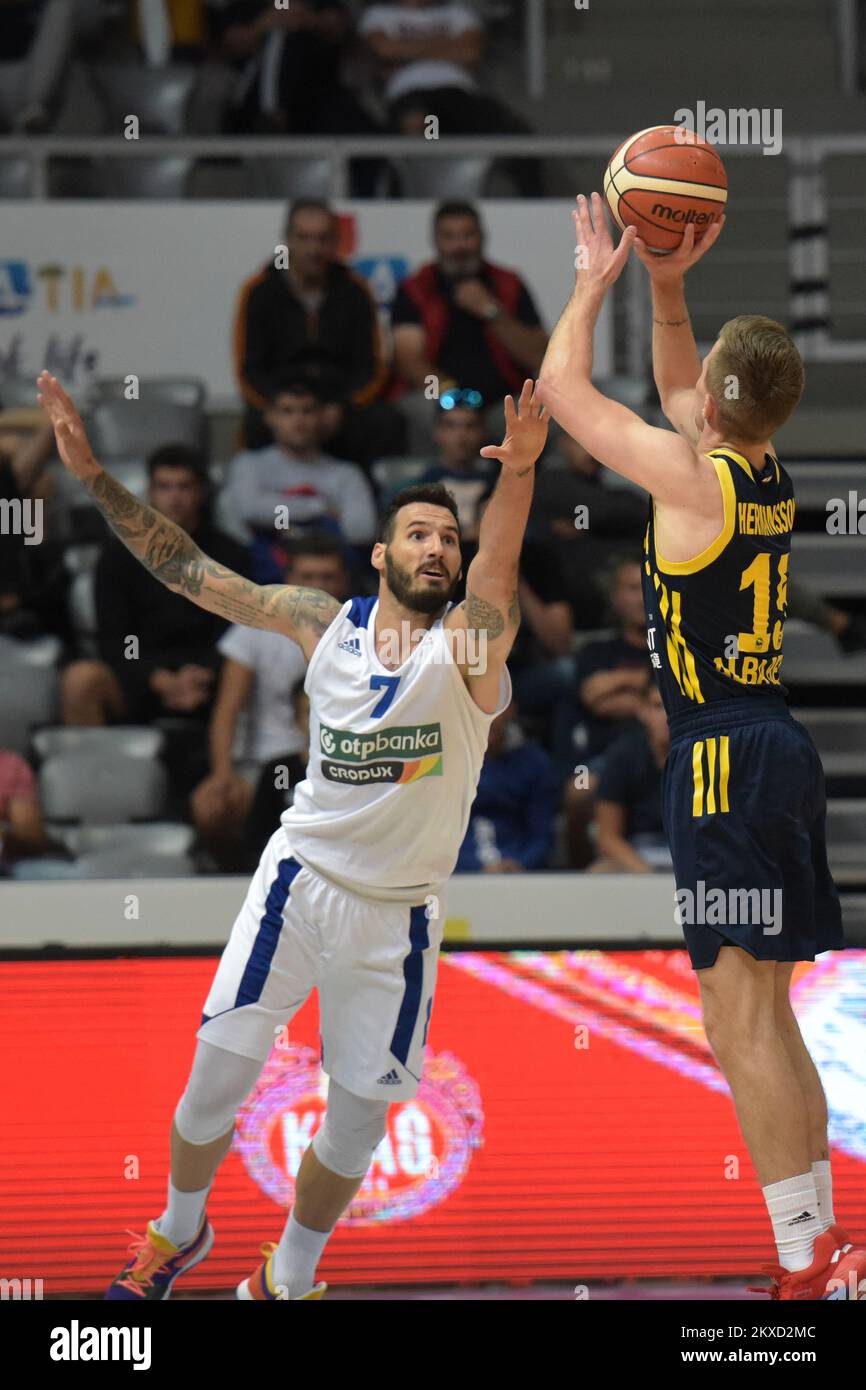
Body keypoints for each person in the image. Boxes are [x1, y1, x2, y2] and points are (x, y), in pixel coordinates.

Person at [38, 368, 548, 1302]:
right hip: (299, 885)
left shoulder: (468, 653)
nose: (438, 548)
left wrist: (516, 475)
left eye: (449, 536)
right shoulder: (323, 624)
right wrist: (94, 478)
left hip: (398, 921)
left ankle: (288, 1279)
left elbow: (500, 579)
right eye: (419, 534)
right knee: (212, 1085)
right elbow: (192, 573)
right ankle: (178, 1231)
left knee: (356, 1129)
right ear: (381, 556)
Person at [538, 193, 862, 1299]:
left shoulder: (689, 475)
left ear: (712, 408)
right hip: (774, 739)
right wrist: (667, 286)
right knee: (762, 1011)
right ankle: (823, 1241)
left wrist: (593, 281)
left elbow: (565, 396)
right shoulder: (756, 470)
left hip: (721, 752)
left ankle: (800, 1255)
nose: (689, 382)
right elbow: (685, 388)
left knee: (734, 1017)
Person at [61, 444, 250, 728]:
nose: (174, 498)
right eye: (165, 487)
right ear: (151, 492)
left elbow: (241, 632)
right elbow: (113, 640)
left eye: (184, 487)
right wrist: (158, 679)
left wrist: (202, 673)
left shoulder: (230, 555)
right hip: (139, 678)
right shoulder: (119, 556)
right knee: (80, 679)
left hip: (213, 680)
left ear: (202, 492)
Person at [190, 533, 351, 867]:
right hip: (265, 760)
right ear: (289, 580)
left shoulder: (365, 632)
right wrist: (223, 774)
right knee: (211, 807)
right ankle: (237, 878)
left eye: (327, 577)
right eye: (308, 578)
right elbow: (227, 709)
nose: (318, 587)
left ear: (343, 580)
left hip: (343, 759)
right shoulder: (256, 630)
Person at [233, 200, 405, 463]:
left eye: (323, 238)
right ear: (288, 240)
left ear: (336, 241)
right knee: (256, 424)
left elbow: (372, 368)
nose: (314, 248)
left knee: (387, 421)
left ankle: (378, 499)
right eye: (304, 238)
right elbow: (249, 372)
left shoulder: (355, 290)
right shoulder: (260, 290)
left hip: (340, 405)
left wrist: (339, 408)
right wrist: (289, 411)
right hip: (282, 403)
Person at [391, 201, 547, 451]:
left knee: (538, 410)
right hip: (438, 394)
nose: (459, 246)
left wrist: (492, 311)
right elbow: (409, 361)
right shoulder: (415, 288)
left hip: (503, 399)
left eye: (468, 235)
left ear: (482, 237)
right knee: (417, 407)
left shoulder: (509, 283)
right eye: (449, 236)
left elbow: (538, 355)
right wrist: (452, 395)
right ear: (436, 241)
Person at [358, 0, 542, 194]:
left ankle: (534, 201)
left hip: (459, 95)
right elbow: (384, 49)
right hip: (411, 94)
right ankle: (408, 197)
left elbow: (470, 52)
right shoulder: (379, 15)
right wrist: (449, 48)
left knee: (513, 131)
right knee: (415, 125)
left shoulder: (459, 13)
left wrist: (404, 52)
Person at [219, 377, 377, 584]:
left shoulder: (346, 473)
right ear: (270, 416)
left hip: (331, 581)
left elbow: (362, 531)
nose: (298, 420)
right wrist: (321, 508)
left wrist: (279, 509)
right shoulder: (249, 464)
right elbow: (251, 510)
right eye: (287, 411)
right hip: (265, 581)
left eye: (307, 411)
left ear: (322, 416)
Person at [455, 699, 556, 873]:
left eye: (496, 708)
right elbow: (435, 834)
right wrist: (474, 868)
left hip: (517, 870)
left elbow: (542, 834)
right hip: (458, 872)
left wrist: (520, 864)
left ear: (511, 709)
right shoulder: (449, 760)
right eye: (478, 707)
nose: (488, 716)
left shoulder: (534, 762)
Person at [590, 683, 671, 873]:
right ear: (643, 711)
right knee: (599, 871)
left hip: (690, 855)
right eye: (658, 707)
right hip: (637, 855)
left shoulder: (705, 755)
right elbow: (607, 837)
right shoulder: (622, 755)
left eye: (672, 706)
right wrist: (647, 875)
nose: (667, 716)